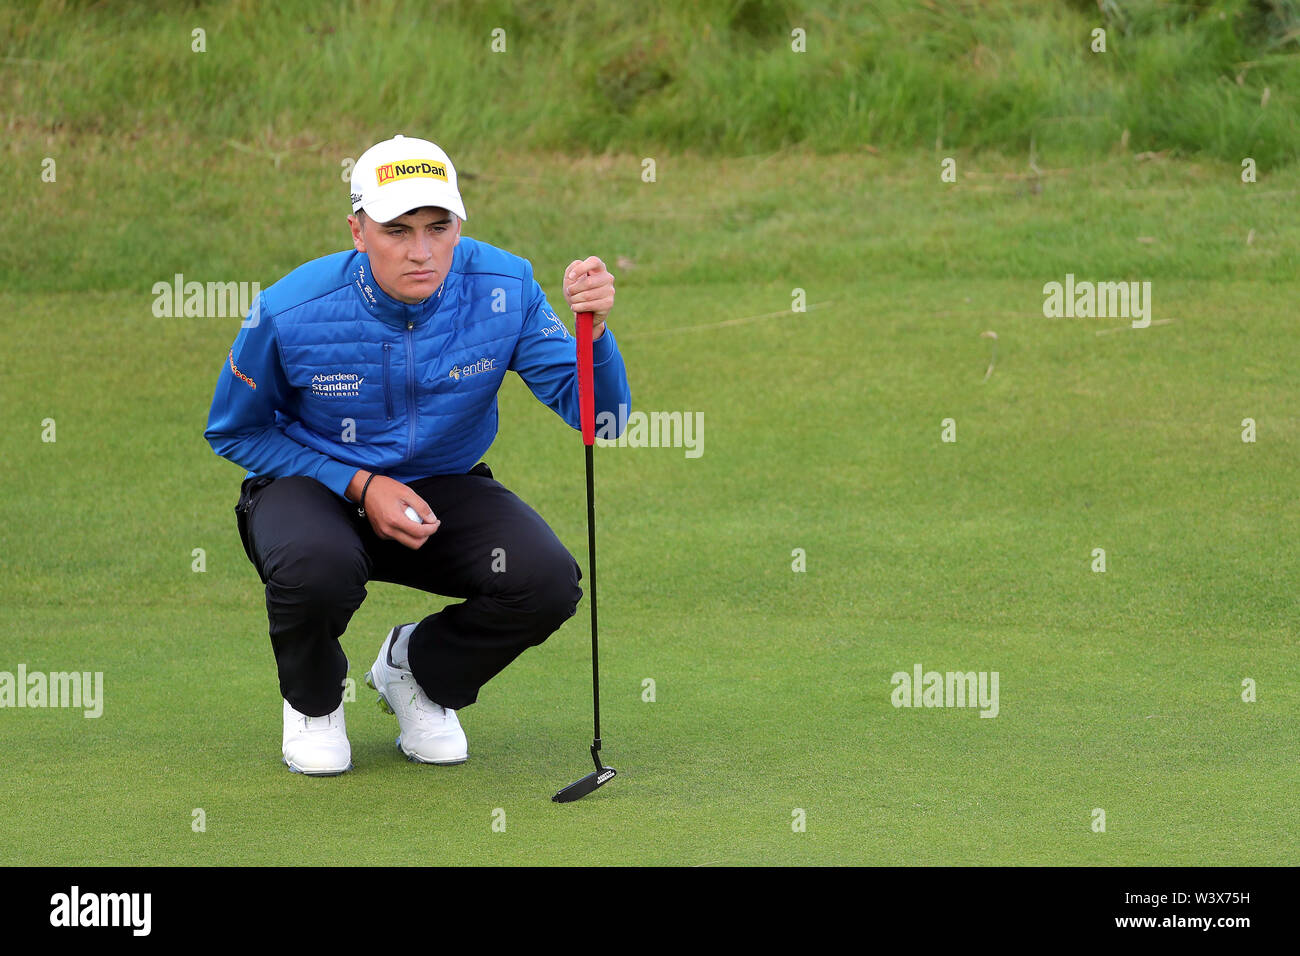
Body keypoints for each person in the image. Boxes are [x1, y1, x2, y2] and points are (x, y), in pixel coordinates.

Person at [204, 134, 630, 775]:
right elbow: (234, 431)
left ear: (460, 224)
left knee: (544, 582)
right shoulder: (290, 307)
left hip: (443, 488)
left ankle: (415, 672)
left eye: (439, 226)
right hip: (309, 488)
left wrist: (593, 331)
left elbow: (600, 416)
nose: (422, 252)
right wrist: (358, 483)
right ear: (357, 231)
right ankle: (315, 702)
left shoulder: (505, 287)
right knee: (315, 567)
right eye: (397, 230)